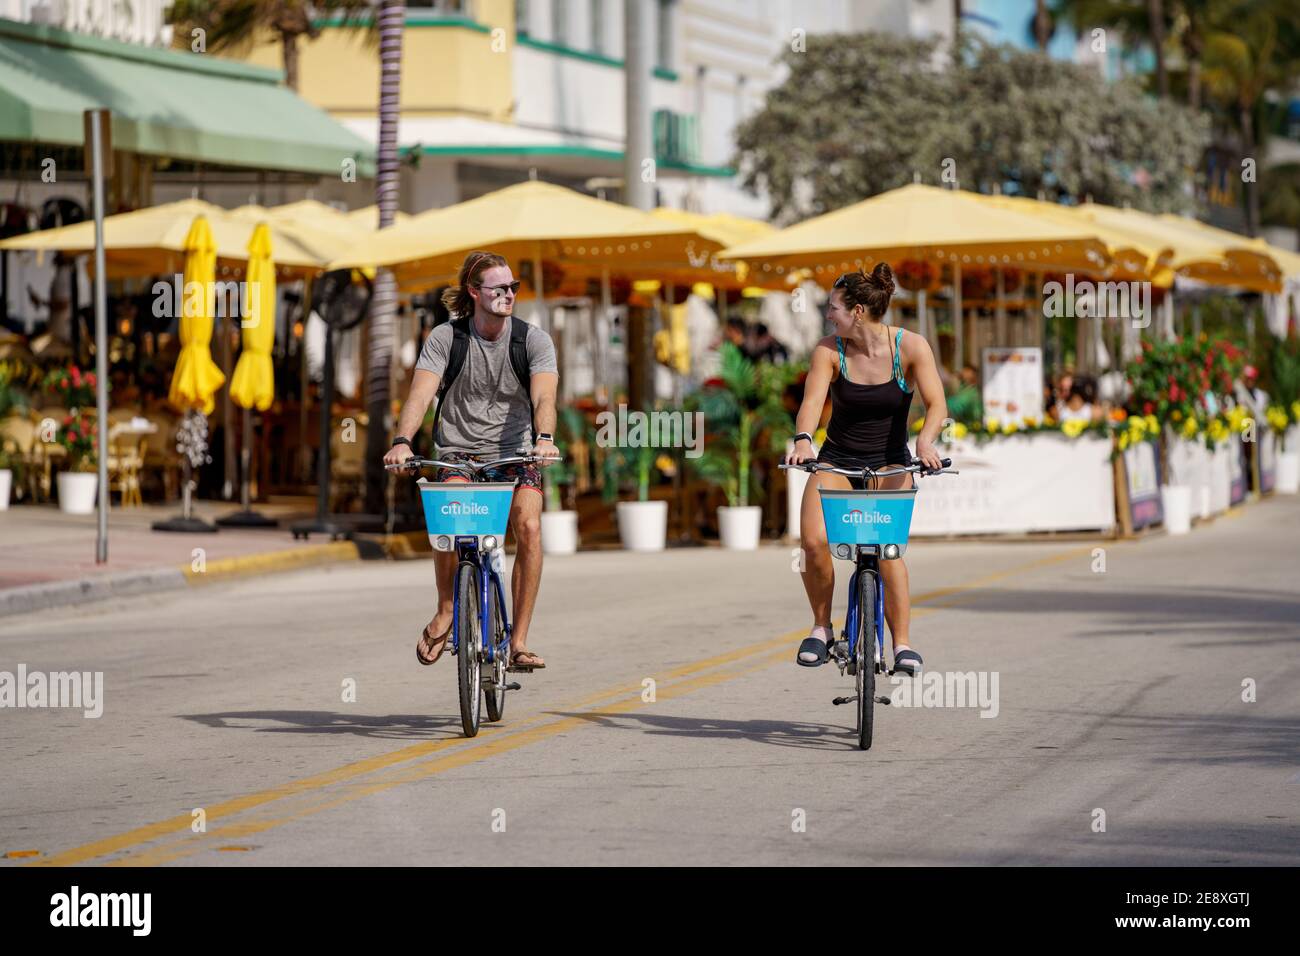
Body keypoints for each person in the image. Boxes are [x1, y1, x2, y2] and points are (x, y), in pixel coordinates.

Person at [383, 251, 559, 670]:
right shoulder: (447, 338)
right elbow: (420, 395)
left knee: (529, 526)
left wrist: (545, 438)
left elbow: (544, 396)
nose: (508, 294)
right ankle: (446, 608)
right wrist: (402, 441)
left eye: (512, 287)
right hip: (457, 452)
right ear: (474, 292)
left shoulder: (532, 340)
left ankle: (518, 641)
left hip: (516, 452)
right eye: (498, 288)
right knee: (451, 521)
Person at [785, 263, 947, 676]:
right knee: (813, 541)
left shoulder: (910, 347)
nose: (828, 315)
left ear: (857, 311)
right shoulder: (828, 350)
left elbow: (937, 405)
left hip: (892, 460)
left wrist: (925, 441)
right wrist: (804, 440)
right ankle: (821, 628)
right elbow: (810, 404)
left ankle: (903, 644)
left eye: (833, 308)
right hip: (837, 459)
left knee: (888, 548)